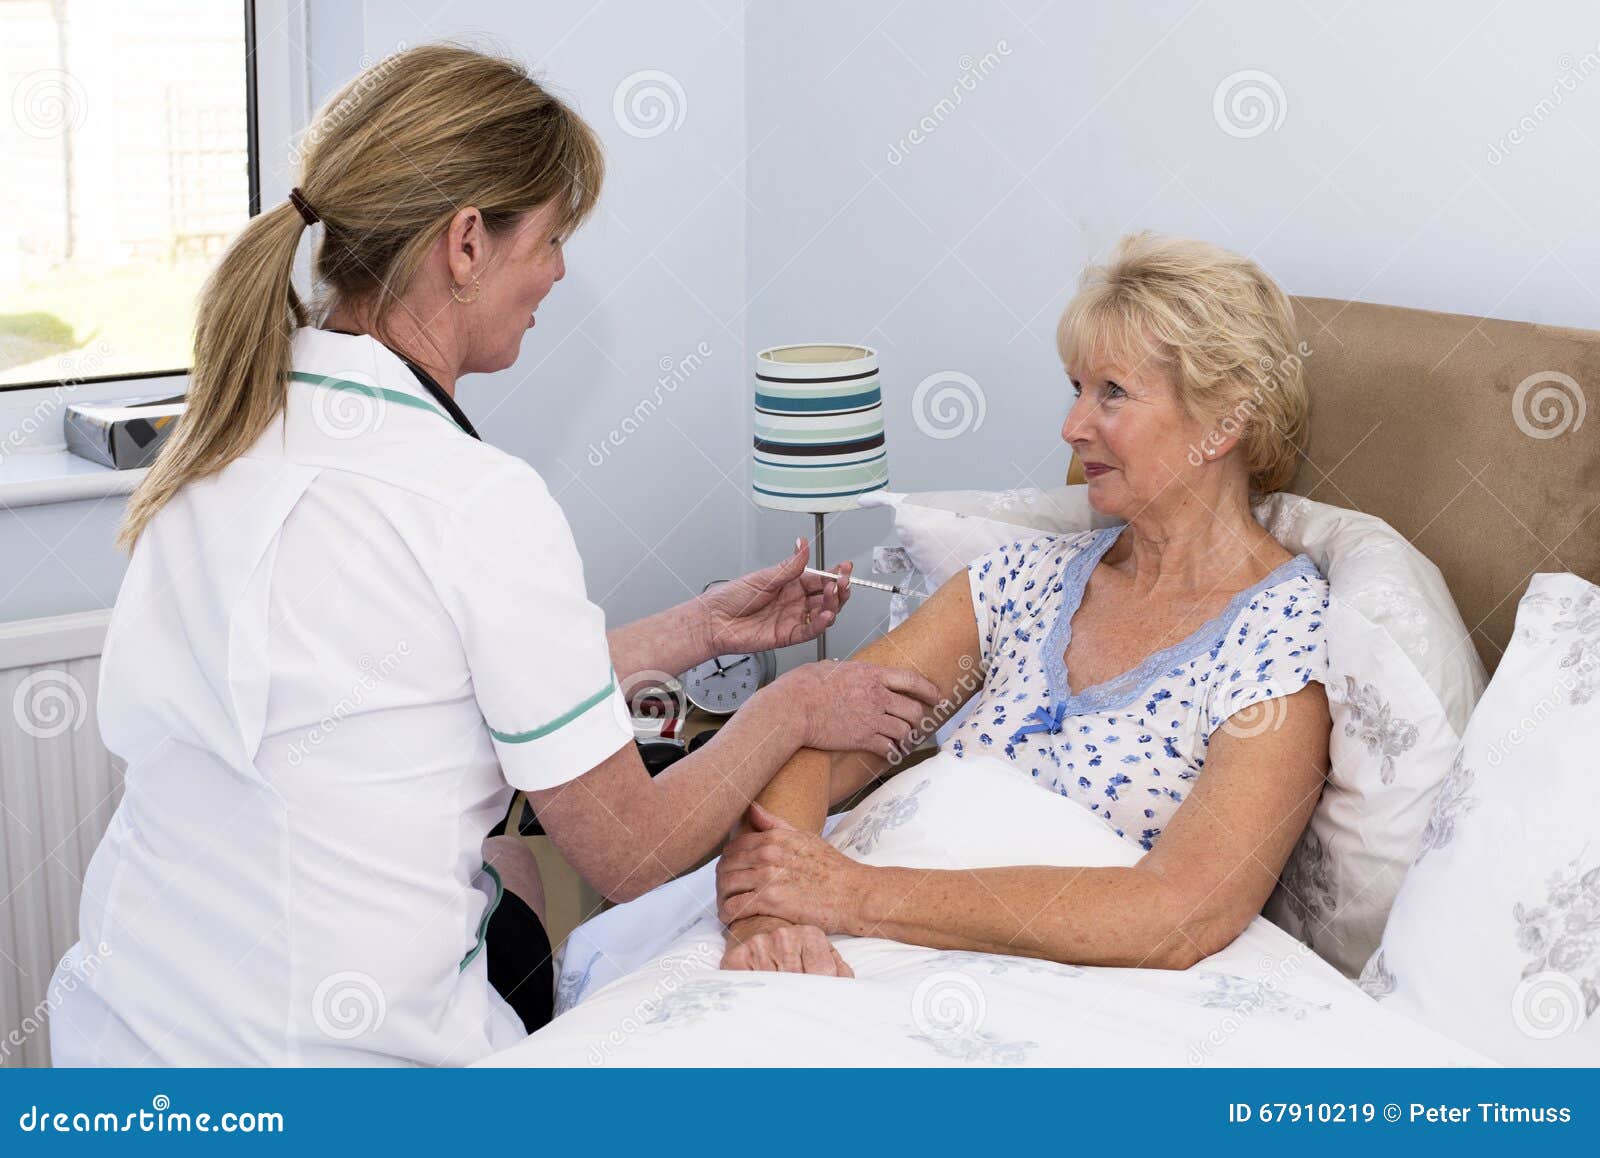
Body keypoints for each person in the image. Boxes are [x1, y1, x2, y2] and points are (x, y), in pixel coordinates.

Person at [47, 44, 937, 1066]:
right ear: (466, 243)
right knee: (537, 897)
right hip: (336, 1060)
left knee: (512, 888)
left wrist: (693, 633)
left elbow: (394, 686)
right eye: (551, 238)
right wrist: (788, 709)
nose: (556, 273)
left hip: (128, 1029)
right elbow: (633, 850)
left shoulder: (230, 429)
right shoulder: (473, 500)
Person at [714, 233, 1333, 976]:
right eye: (1075, 389)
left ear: (1225, 422)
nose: (1073, 429)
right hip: (857, 942)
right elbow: (814, 739)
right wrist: (767, 919)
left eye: (1112, 393)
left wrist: (854, 896)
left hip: (1059, 987)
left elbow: (1180, 913)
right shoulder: (1021, 582)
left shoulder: (1283, 637)